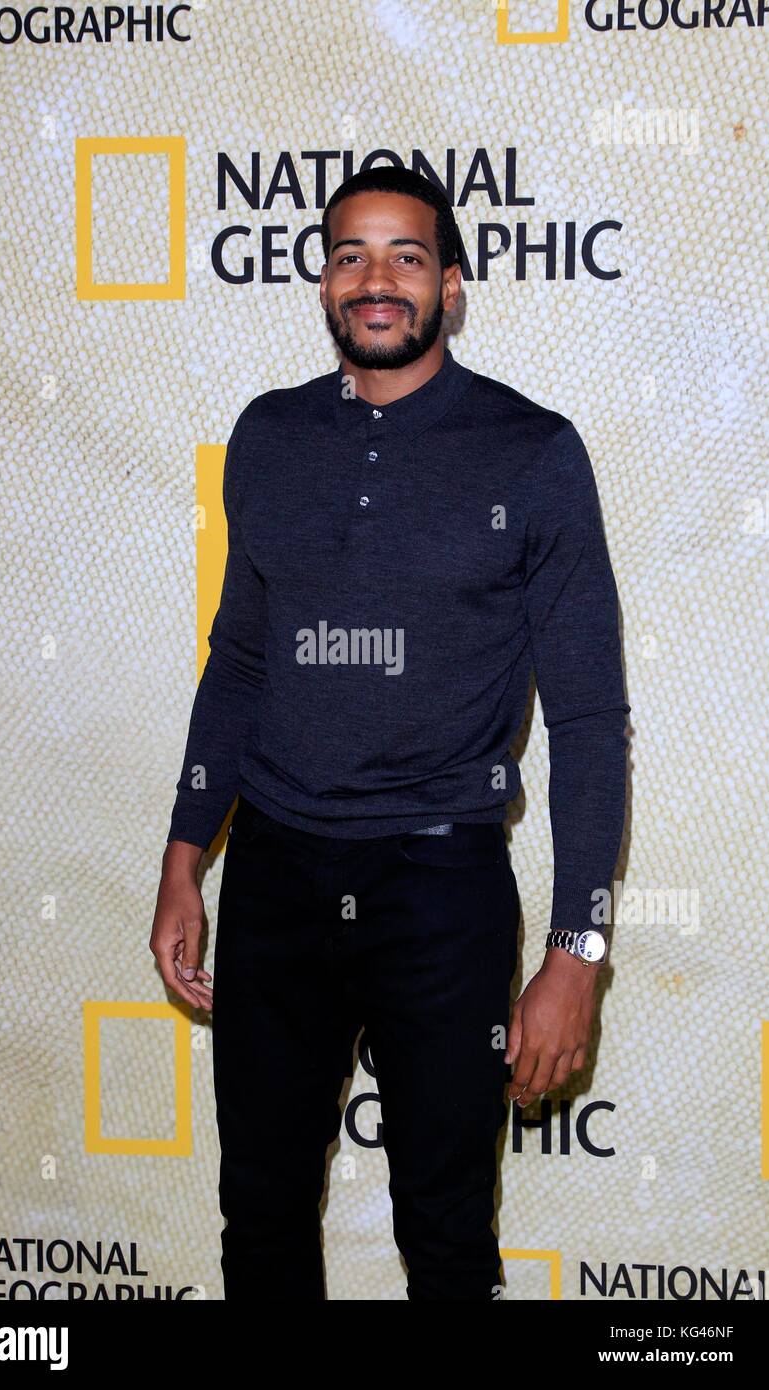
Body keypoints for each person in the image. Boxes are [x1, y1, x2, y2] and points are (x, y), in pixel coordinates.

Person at [149, 165, 630, 1301]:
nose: (376, 279)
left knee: (447, 1235)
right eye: (350, 254)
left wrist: (577, 955)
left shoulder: (533, 452)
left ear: (450, 286)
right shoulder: (265, 437)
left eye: (405, 255)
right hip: (272, 872)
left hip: (441, 882)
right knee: (258, 1219)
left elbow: (592, 719)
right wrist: (182, 857)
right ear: (323, 281)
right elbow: (240, 664)